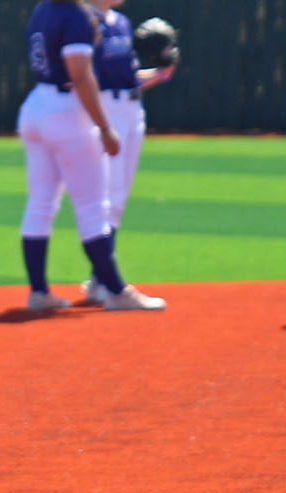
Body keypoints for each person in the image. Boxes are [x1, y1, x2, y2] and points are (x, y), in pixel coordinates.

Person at [16, 0, 165, 311]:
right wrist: (104, 127)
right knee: (93, 207)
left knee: (40, 203)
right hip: (65, 112)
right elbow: (80, 73)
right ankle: (114, 290)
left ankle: (39, 292)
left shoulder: (43, 9)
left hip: (36, 105)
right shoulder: (76, 15)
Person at [80, 0, 177, 303]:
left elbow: (131, 78)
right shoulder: (85, 21)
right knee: (107, 196)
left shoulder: (121, 22)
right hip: (106, 110)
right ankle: (108, 284)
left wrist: (162, 72)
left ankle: (100, 279)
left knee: (119, 198)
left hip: (132, 109)